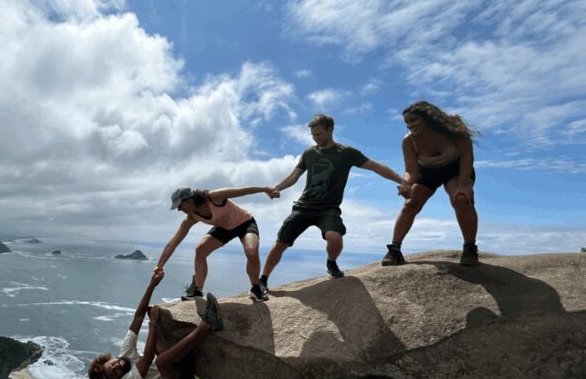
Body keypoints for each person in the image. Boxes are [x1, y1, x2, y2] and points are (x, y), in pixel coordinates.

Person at [259, 114, 408, 287]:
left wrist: (402, 181)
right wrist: (277, 188)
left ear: (330, 130)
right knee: (280, 243)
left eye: (319, 134)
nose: (316, 138)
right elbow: (294, 176)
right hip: (303, 207)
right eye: (313, 135)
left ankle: (331, 262)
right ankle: (263, 280)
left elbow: (376, 167)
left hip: (328, 209)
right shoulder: (309, 153)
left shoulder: (347, 153)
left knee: (335, 237)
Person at [87, 272, 223, 379]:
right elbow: (147, 357)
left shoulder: (125, 352)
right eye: (115, 372)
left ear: (108, 360)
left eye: (112, 364)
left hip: (176, 366)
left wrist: (151, 286)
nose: (117, 366)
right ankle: (208, 325)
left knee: (158, 322)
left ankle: (190, 300)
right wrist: (152, 322)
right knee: (160, 361)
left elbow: (138, 315)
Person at [381, 101, 480, 266]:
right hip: (427, 172)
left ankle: (470, 248)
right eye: (407, 122)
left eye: (414, 120)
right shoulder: (409, 141)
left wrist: (463, 185)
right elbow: (411, 170)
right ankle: (395, 250)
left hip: (457, 168)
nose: (410, 125)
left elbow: (467, 156)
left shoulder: (454, 127)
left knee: (461, 199)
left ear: (428, 118)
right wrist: (406, 184)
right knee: (410, 203)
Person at [155, 185, 273, 302]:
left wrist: (266, 189)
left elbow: (242, 191)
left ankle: (256, 287)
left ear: (189, 199)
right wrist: (159, 266)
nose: (179, 209)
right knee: (200, 250)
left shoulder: (214, 197)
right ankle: (197, 291)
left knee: (251, 251)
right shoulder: (191, 218)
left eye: (180, 205)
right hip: (224, 228)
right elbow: (173, 242)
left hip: (245, 223)